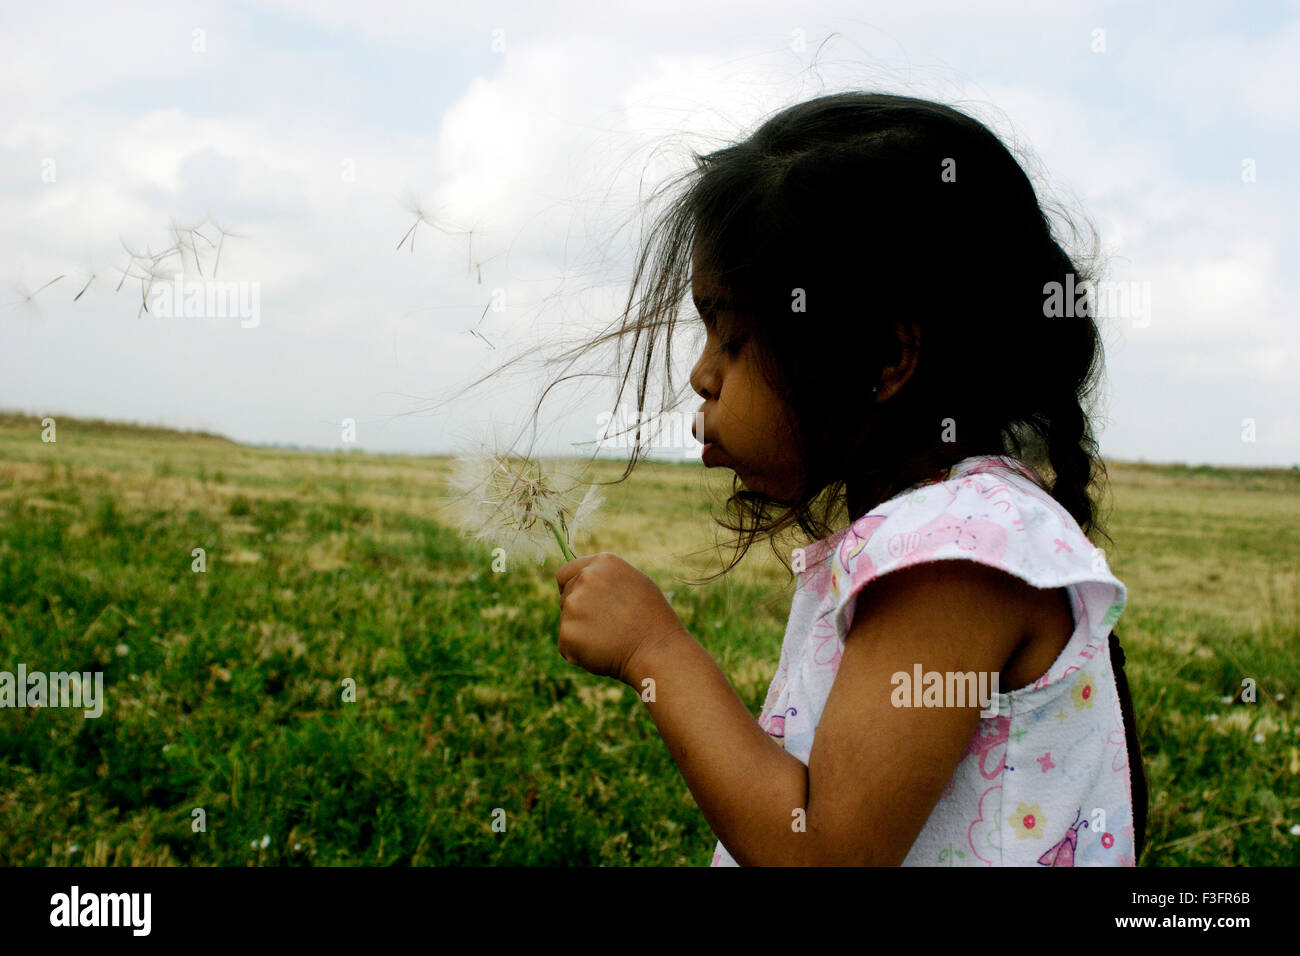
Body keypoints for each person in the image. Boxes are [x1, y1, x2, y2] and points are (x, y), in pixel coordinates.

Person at [554, 91, 1146, 866]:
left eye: (732, 336)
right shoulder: (942, 531)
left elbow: (824, 849)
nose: (701, 375)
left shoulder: (957, 561)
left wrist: (656, 652)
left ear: (886, 359)